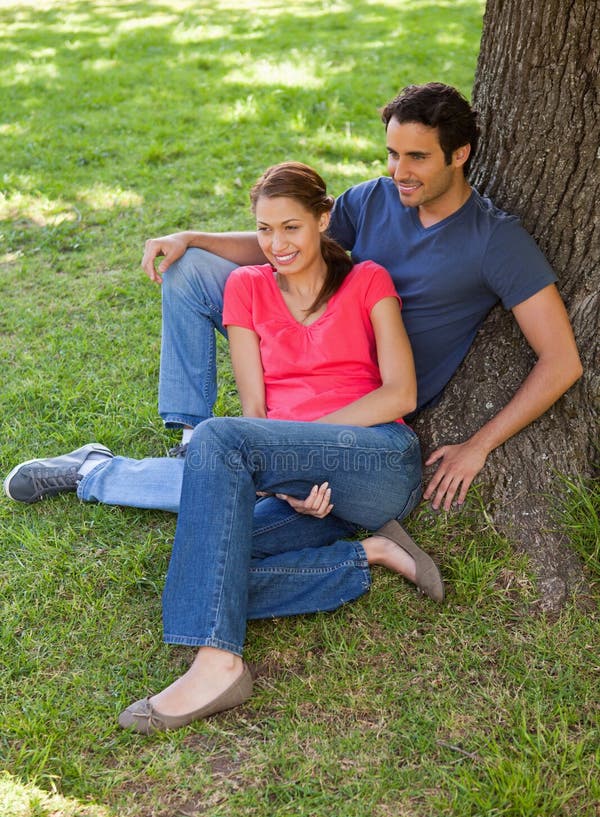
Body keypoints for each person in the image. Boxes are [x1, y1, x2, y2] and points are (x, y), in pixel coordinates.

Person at [4, 82, 581, 515]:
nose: (398, 172)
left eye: (417, 158)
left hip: (371, 397)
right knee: (188, 272)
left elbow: (562, 361)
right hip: (308, 353)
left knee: (247, 484)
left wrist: (478, 446)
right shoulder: (373, 200)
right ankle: (189, 439)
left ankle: (98, 472)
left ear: (461, 154)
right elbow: (291, 251)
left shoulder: (496, 241)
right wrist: (194, 239)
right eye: (392, 154)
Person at [112, 161, 442, 733]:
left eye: (290, 227)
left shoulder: (368, 280)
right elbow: (257, 414)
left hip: (377, 458)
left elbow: (400, 392)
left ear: (323, 219)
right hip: (302, 484)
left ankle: (218, 666)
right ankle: (370, 555)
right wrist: (284, 483)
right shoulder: (245, 287)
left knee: (214, 446)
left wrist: (309, 448)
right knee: (211, 562)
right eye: (264, 230)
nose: (276, 244)